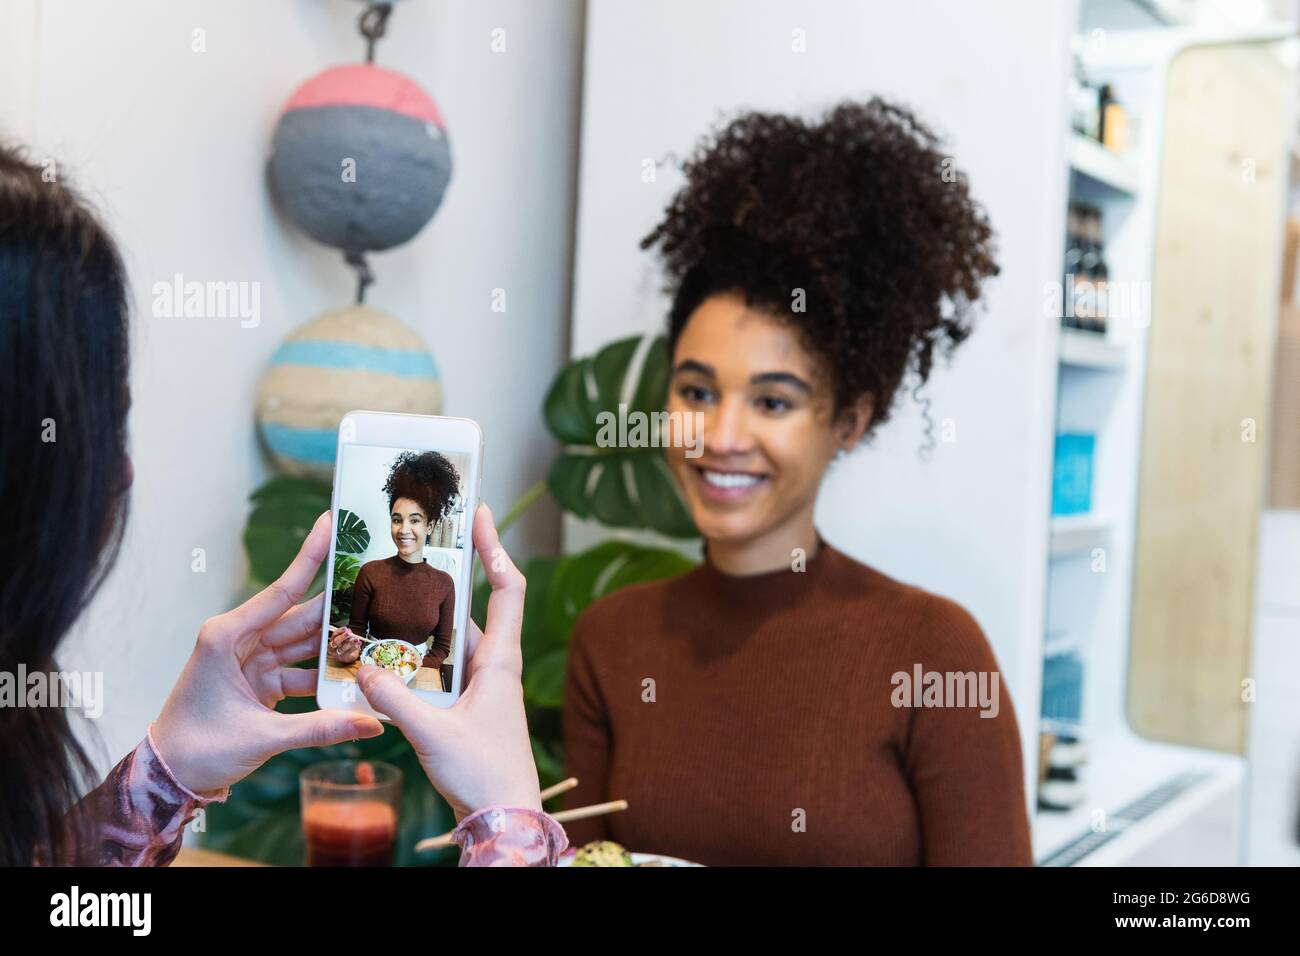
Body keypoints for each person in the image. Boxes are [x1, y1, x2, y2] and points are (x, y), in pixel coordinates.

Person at [0, 142, 562, 867]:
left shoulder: (445, 587)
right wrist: (509, 824)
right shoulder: (366, 579)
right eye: (104, 424)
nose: (124, 472)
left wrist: (164, 777)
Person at [562, 99, 1034, 865]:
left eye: (773, 401)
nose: (720, 437)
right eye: (697, 391)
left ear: (848, 421)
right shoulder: (611, 643)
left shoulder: (935, 654)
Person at [329, 451, 461, 678]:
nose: (404, 530)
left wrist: (408, 669)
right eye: (397, 519)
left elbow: (441, 649)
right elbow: (358, 634)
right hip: (371, 669)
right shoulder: (370, 573)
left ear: (430, 525)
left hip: (416, 673)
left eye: (415, 520)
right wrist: (347, 650)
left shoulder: (444, 584)